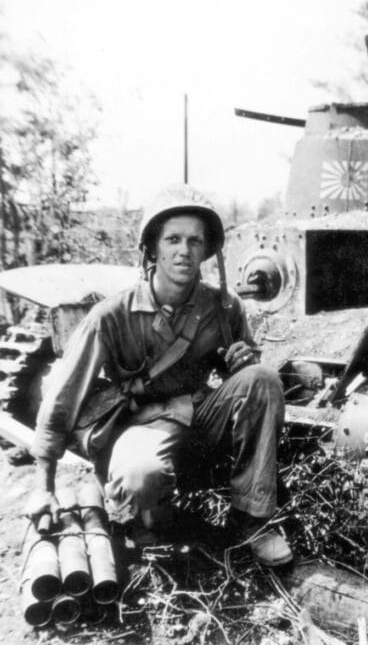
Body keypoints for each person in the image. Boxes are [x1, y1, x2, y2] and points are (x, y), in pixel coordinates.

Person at [25, 184, 292, 567]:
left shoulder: (223, 307)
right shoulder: (111, 316)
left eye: (195, 241)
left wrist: (241, 363)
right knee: (139, 477)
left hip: (199, 420)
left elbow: (243, 381)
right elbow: (61, 400)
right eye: (173, 239)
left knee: (264, 379)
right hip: (142, 425)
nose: (184, 250)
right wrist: (43, 486)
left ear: (207, 250)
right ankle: (153, 521)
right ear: (153, 247)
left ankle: (250, 522)